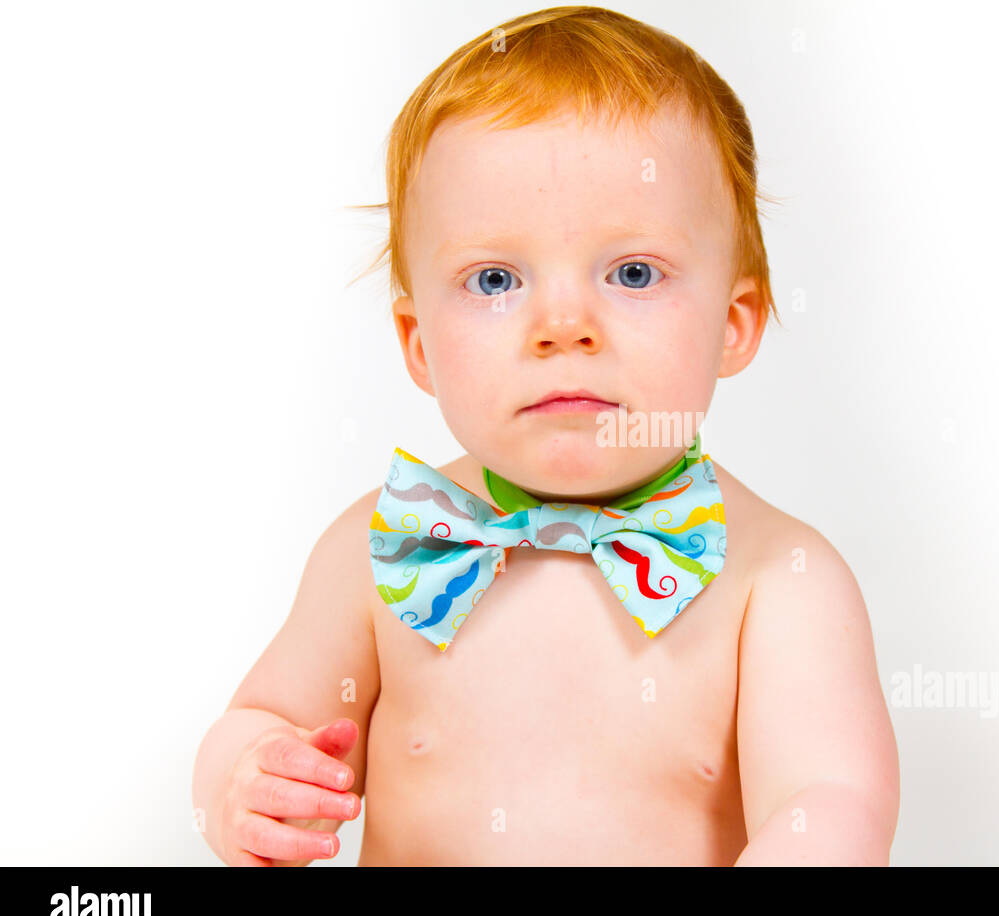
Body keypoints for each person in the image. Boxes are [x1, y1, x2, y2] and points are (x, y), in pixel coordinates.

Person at [192, 4, 898, 866]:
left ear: (733, 323)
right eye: (495, 278)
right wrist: (244, 779)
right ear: (418, 343)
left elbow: (829, 798)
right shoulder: (379, 550)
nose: (562, 323)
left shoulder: (778, 579)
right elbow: (261, 717)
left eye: (633, 272)